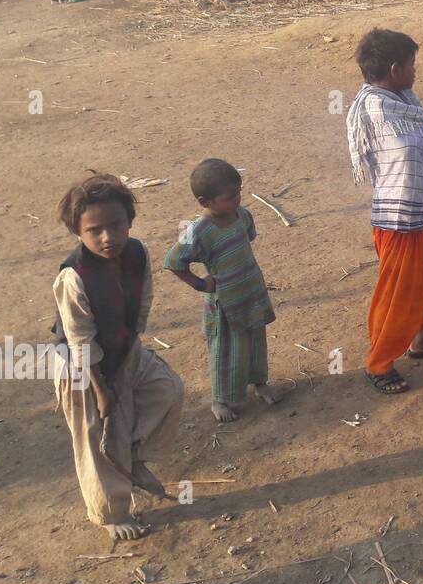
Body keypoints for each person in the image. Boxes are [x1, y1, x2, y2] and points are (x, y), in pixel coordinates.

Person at [52, 173, 184, 540]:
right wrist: (101, 388)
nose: (108, 237)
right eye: (95, 230)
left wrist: (131, 352)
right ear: (78, 231)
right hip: (81, 368)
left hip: (123, 351)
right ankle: (112, 514)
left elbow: (142, 302)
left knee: (167, 389)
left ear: (129, 221)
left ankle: (135, 459)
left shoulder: (137, 252)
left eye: (116, 225)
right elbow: (79, 338)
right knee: (95, 439)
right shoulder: (73, 276)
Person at [347, 28, 423, 394]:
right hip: (399, 219)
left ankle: (421, 341)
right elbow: (403, 156)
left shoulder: (406, 99)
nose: (417, 72)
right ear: (395, 68)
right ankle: (378, 362)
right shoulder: (375, 109)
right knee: (397, 291)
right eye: (412, 65)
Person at [163, 159, 283, 423]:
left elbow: (246, 240)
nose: (238, 199)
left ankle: (260, 383)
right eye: (230, 197)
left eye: (239, 192)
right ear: (205, 202)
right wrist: (201, 284)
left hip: (251, 293)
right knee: (226, 351)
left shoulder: (243, 215)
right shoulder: (197, 231)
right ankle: (220, 399)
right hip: (225, 304)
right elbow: (173, 261)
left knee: (255, 342)